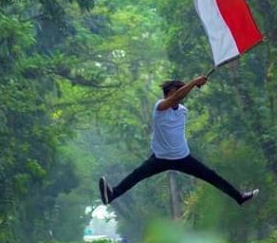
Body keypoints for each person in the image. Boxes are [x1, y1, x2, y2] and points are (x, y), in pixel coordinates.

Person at [99, 76, 258, 207]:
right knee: (136, 175)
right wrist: (194, 82)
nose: (180, 97)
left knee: (211, 176)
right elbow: (177, 97)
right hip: (160, 158)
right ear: (168, 94)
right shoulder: (159, 108)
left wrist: (192, 85)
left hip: (183, 157)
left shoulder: (183, 111)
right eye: (176, 93)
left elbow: (179, 98)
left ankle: (239, 197)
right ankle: (112, 194)